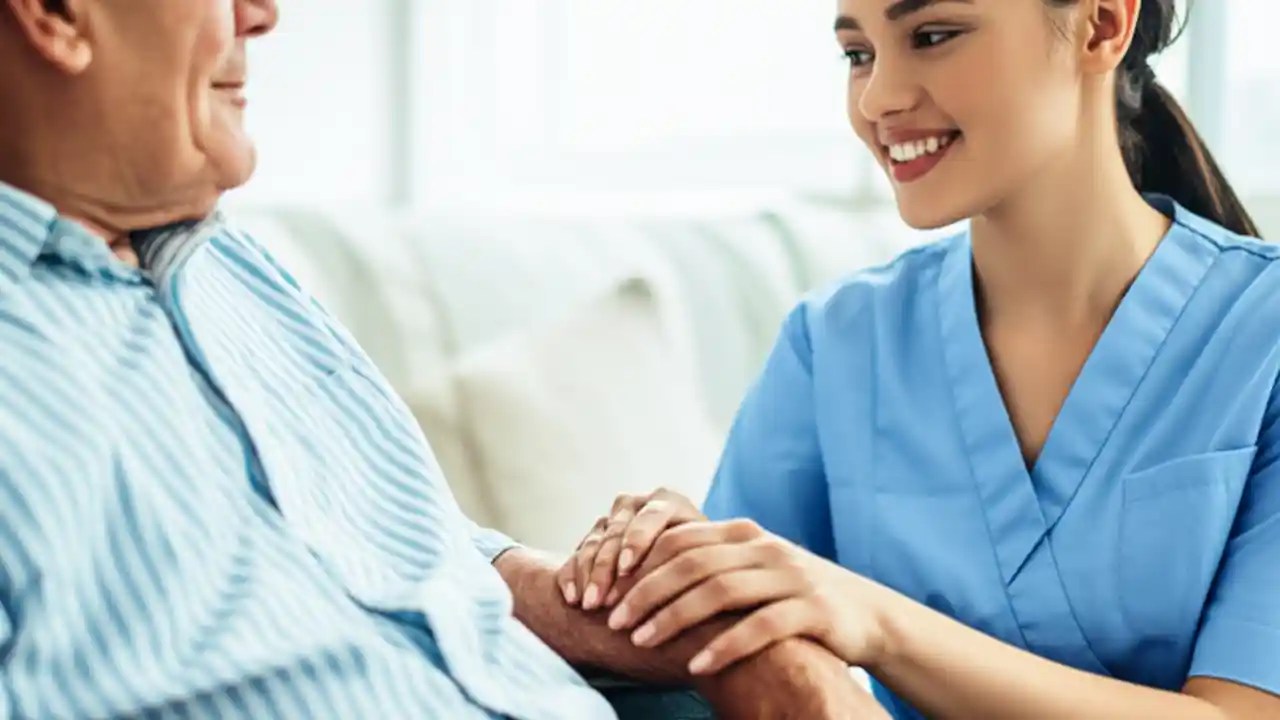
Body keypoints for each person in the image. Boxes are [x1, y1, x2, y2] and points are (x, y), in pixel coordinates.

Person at [0, 0, 890, 718]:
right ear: (54, 15)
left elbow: (406, 560)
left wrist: (690, 620)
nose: (262, 14)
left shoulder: (228, 267)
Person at [561, 0, 1280, 718]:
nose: (878, 99)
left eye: (932, 37)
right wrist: (656, 568)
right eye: (858, 54)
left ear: (1101, 25)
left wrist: (877, 622)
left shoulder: (1262, 333)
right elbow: (719, 661)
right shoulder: (834, 346)